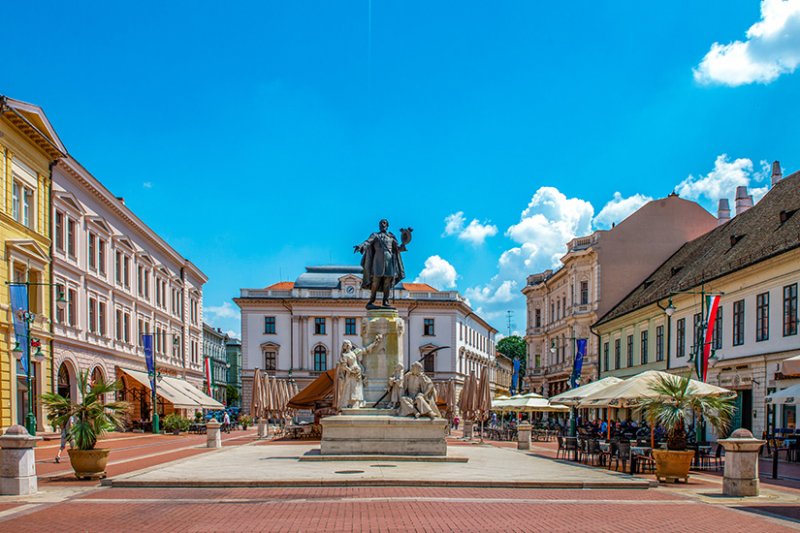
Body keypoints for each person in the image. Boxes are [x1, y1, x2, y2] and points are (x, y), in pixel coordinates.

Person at [354, 219, 411, 309]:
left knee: (387, 282)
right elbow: (367, 242)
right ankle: (371, 301)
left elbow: (397, 249)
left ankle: (385, 301)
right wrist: (360, 246)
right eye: (381, 223)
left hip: (389, 262)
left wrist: (403, 245)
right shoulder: (375, 235)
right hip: (378, 261)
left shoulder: (391, 237)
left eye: (384, 223)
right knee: (375, 281)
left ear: (387, 225)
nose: (382, 225)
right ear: (379, 226)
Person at [337, 335, 383, 409]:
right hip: (351, 373)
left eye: (349, 344)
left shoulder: (354, 352)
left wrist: (374, 343)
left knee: (357, 388)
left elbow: (365, 350)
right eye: (346, 344)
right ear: (344, 346)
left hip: (357, 372)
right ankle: (351, 403)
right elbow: (343, 366)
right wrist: (350, 371)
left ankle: (356, 402)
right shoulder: (344, 355)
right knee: (351, 387)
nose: (348, 345)